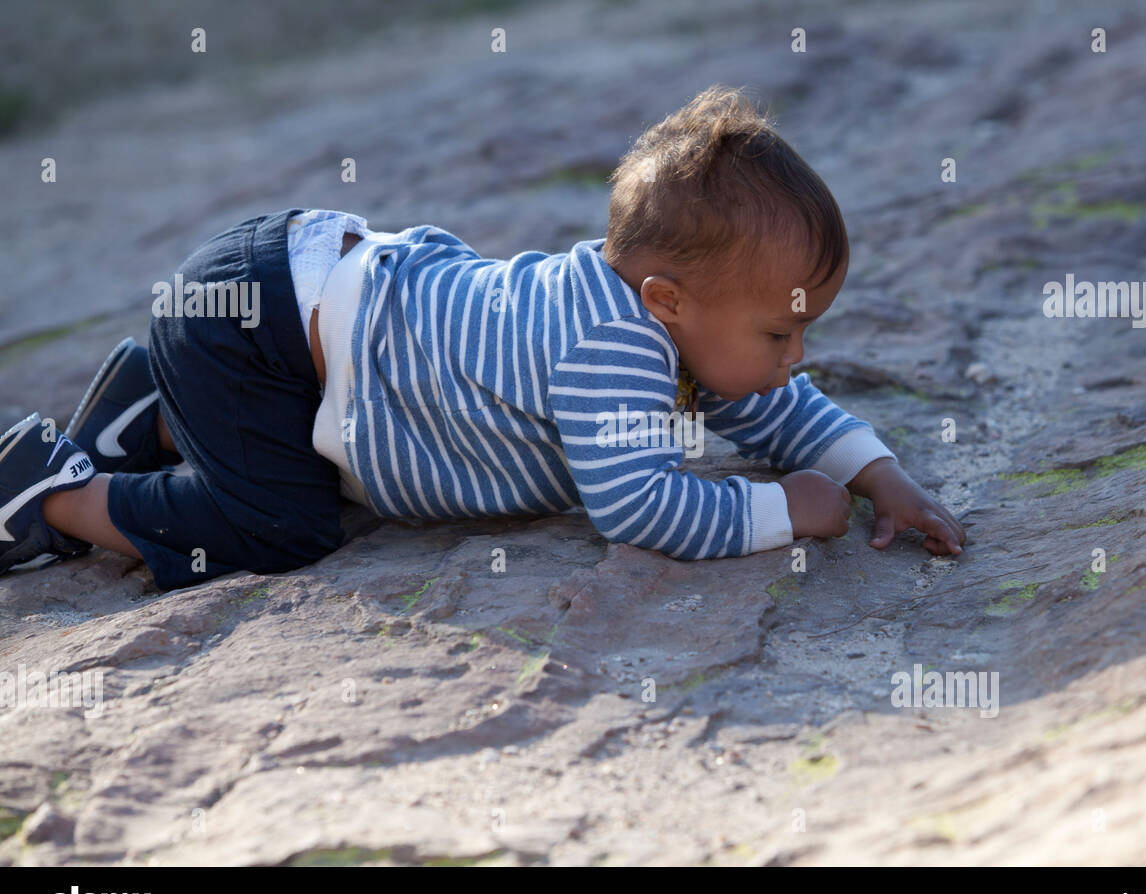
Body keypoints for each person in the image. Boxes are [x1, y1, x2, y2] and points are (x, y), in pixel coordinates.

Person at [0, 84, 964, 591]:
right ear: (669, 300)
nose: (795, 357)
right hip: (256, 329)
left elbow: (776, 405)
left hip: (286, 305)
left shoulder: (676, 316)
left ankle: (160, 412)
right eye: (780, 331)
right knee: (283, 528)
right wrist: (784, 512)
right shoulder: (613, 346)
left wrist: (879, 476)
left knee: (287, 465)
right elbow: (640, 511)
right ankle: (58, 491)